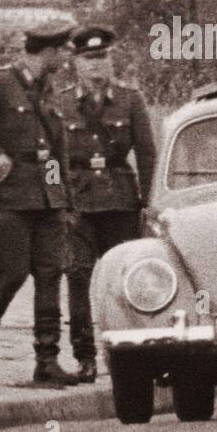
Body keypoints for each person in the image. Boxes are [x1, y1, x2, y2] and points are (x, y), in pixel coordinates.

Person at [0, 20, 79, 387]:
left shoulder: (47, 89)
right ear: (49, 51)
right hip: (10, 197)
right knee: (12, 275)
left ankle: (47, 360)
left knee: (50, 275)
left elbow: (55, 152)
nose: (68, 56)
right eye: (64, 50)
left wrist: (60, 196)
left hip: (46, 201)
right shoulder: (1, 83)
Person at [53, 27, 157, 383]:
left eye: (102, 58)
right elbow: (50, 158)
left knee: (128, 280)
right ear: (75, 64)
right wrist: (57, 199)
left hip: (120, 201)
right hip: (77, 203)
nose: (97, 66)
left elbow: (146, 153)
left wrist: (150, 201)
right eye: (89, 59)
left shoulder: (131, 100)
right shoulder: (61, 103)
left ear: (111, 60)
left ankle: (136, 353)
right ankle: (85, 356)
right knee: (77, 277)